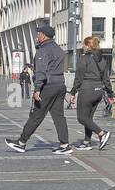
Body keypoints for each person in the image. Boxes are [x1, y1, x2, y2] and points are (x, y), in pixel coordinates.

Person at [6, 24, 70, 154]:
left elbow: (41, 71)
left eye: (38, 33)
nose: (37, 36)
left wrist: (37, 89)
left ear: (44, 35)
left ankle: (21, 142)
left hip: (48, 86)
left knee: (36, 115)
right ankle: (64, 144)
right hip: (60, 84)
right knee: (59, 116)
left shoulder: (43, 50)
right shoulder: (58, 49)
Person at [68, 36, 114, 150]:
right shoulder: (102, 60)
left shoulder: (83, 59)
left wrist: (73, 92)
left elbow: (78, 78)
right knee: (88, 118)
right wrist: (110, 94)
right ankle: (87, 142)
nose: (82, 47)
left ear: (88, 46)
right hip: (98, 92)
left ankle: (101, 133)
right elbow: (106, 79)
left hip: (86, 91)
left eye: (84, 44)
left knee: (81, 118)